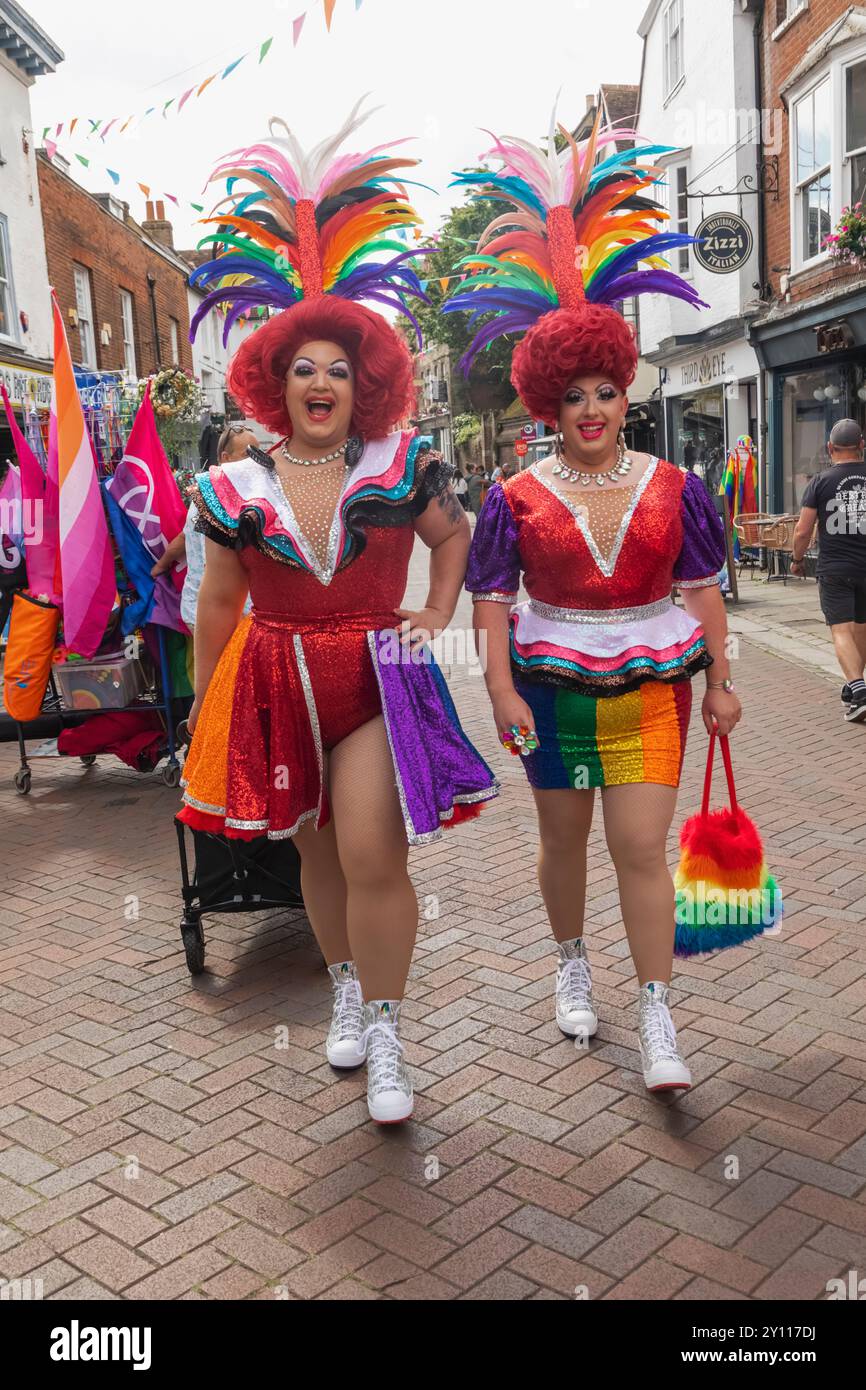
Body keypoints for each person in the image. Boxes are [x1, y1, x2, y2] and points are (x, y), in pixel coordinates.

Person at [178, 106, 498, 1125]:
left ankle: (392, 1030)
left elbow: (454, 537)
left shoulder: (403, 464)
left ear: (366, 383)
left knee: (369, 849)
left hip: (371, 676)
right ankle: (346, 987)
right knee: (313, 852)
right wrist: (205, 711)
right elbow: (219, 605)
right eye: (301, 366)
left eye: (339, 368)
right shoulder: (234, 487)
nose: (321, 381)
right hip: (272, 679)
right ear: (276, 383)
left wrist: (434, 610)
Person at [448, 110, 741, 1094]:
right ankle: (571, 963)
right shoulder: (512, 497)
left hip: (652, 681)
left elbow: (698, 592)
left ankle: (658, 1016)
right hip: (548, 681)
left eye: (602, 392)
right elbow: (489, 601)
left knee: (638, 847)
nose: (587, 411)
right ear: (546, 402)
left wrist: (721, 682)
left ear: (623, 391)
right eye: (570, 395)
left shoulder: (675, 486)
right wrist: (497, 691)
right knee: (564, 841)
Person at [792, 418, 866, 723]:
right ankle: (857, 690)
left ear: (829, 448)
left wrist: (797, 560)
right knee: (861, 628)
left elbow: (802, 530)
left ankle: (858, 691)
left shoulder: (820, 482)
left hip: (835, 568)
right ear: (862, 445)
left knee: (841, 630)